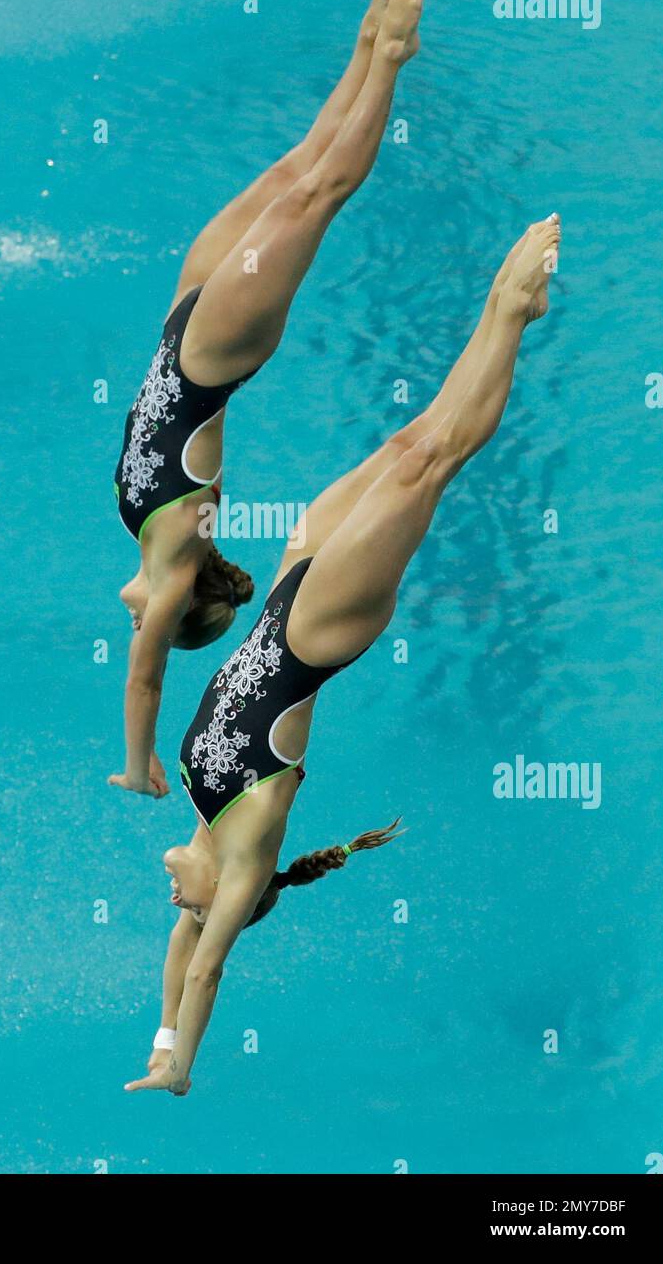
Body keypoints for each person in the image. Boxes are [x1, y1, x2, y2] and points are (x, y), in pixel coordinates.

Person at [125, 214, 562, 1094]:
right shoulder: (243, 851)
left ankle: (508, 309)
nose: (172, 904)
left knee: (406, 447)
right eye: (190, 911)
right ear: (226, 903)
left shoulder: (206, 825)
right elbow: (209, 966)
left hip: (288, 592)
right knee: (428, 463)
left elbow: (180, 964)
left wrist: (162, 1033)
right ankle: (513, 309)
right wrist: (181, 1067)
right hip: (317, 634)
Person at [109, 0, 424, 798]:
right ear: (180, 612)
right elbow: (144, 684)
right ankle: (390, 57)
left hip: (182, 324)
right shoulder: (176, 561)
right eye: (161, 629)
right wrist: (140, 768)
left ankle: (364, 48)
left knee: (294, 173)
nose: (136, 625)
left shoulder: (142, 531)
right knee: (320, 192)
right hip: (213, 355)